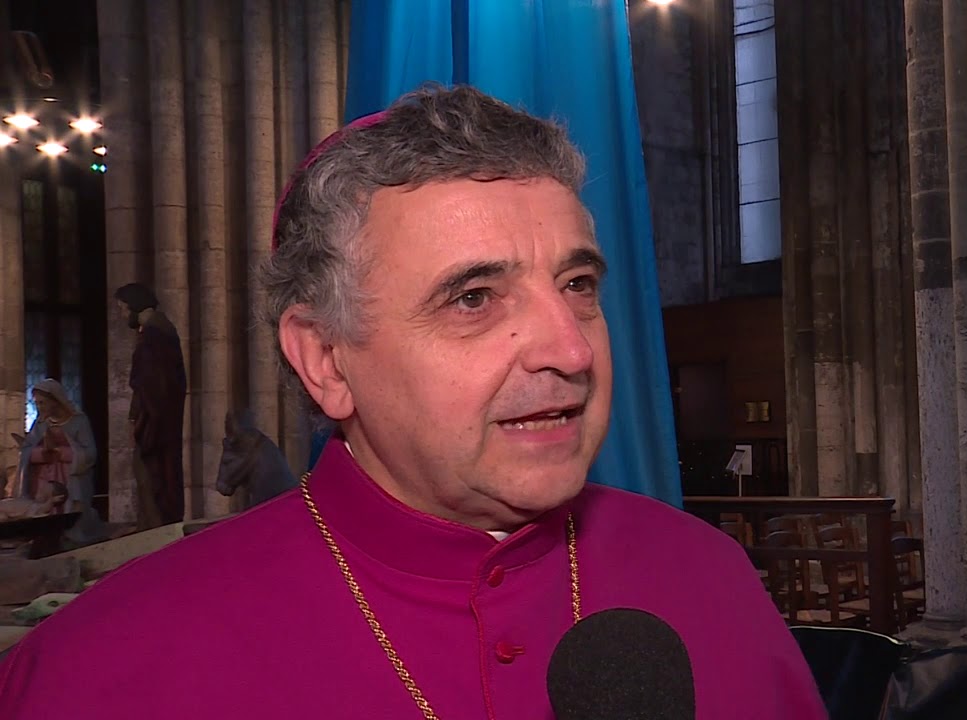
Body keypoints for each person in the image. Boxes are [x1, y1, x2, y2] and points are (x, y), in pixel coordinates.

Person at [0, 84, 826, 718]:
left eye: (577, 284)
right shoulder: (101, 666)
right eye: (474, 298)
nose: (573, 351)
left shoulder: (708, 574)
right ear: (325, 359)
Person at [114, 282, 187, 529]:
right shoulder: (159, 334)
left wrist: (141, 427)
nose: (122, 315)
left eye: (123, 309)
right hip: (160, 428)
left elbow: (153, 391)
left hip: (156, 432)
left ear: (135, 307)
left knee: (155, 487)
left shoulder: (153, 340)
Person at [16, 379, 105, 543]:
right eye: (36, 403)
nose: (39, 407)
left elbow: (90, 454)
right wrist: (43, 452)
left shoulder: (79, 421)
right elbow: (27, 451)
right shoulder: (41, 424)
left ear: (55, 401)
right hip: (46, 479)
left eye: (42, 403)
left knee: (71, 512)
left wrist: (60, 451)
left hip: (71, 477)